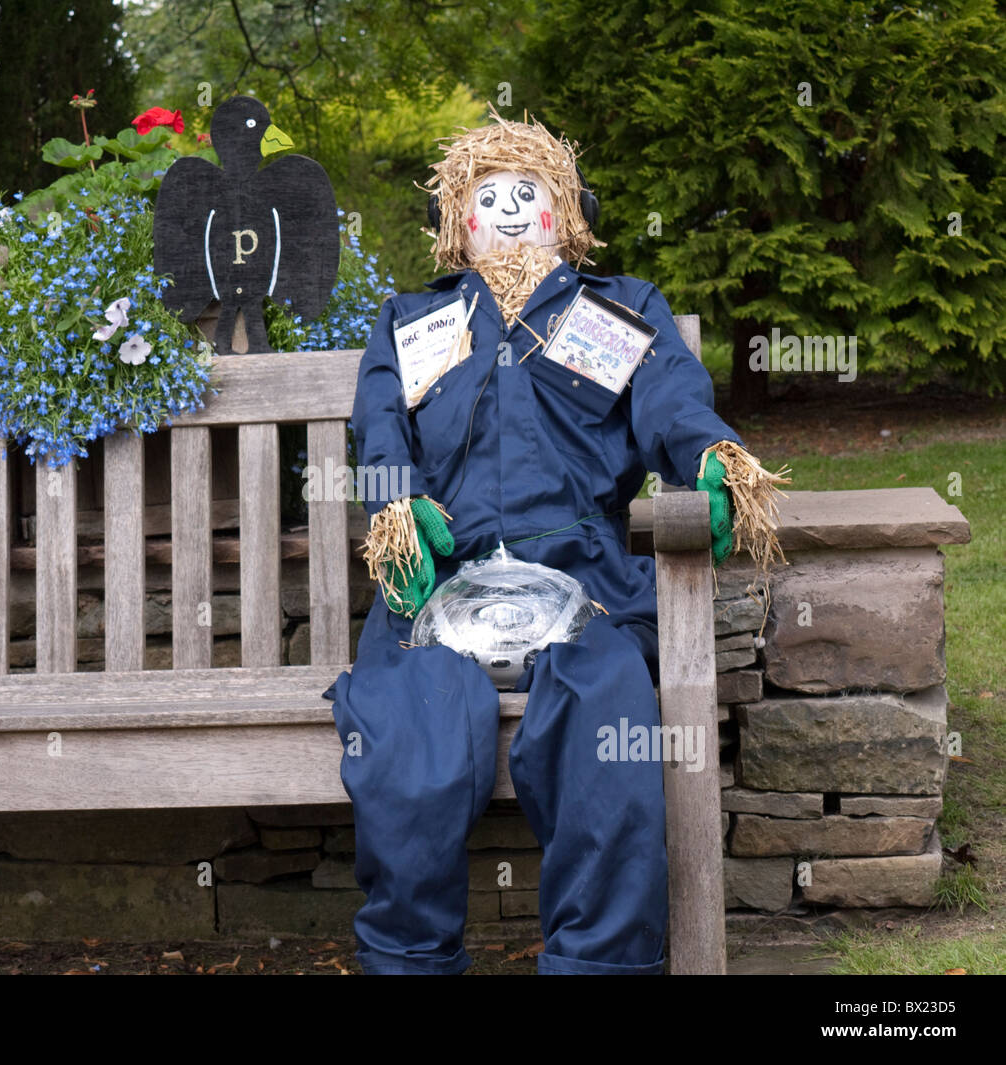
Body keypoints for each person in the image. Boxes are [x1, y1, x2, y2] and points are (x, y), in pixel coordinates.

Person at [323, 109, 788, 975]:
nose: (505, 212)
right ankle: (410, 961)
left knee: (607, 715)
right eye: (487, 196)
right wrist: (397, 513)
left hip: (588, 584)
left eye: (526, 194)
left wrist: (712, 455)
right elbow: (377, 432)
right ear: (458, 221)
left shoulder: (617, 308)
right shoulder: (411, 321)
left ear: (564, 212)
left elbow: (671, 401)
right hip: (440, 586)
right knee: (409, 729)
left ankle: (601, 964)